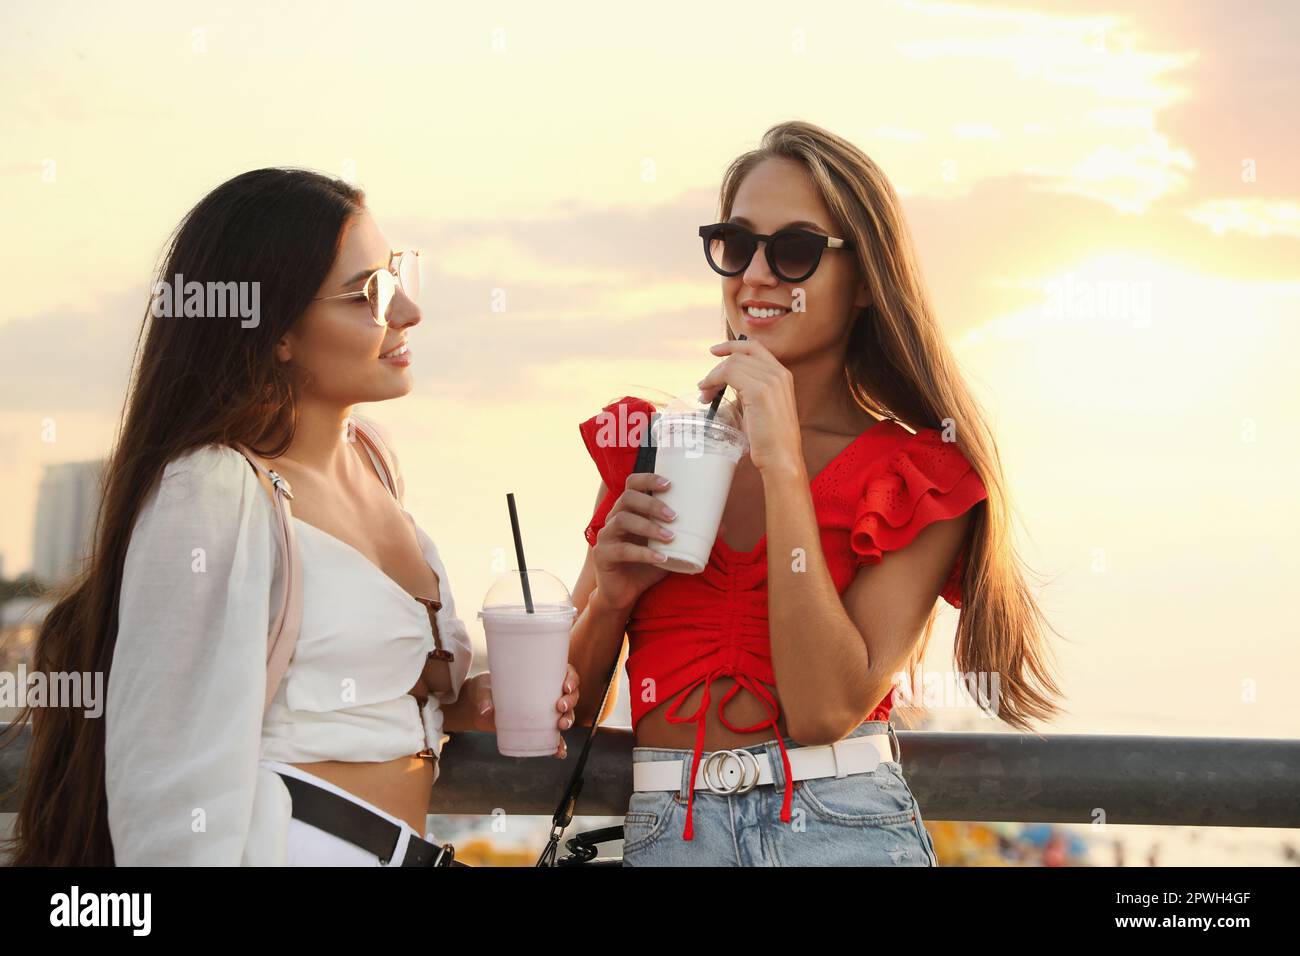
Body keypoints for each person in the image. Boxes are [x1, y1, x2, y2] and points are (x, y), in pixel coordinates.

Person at [1, 167, 579, 866]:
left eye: (397, 277)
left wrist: (476, 702)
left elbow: (350, 702)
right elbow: (170, 791)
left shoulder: (372, 461)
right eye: (369, 293)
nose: (406, 314)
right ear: (275, 331)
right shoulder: (214, 489)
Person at [568, 121, 1064, 866]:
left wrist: (784, 466)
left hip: (840, 831)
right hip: (671, 835)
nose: (755, 275)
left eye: (794, 251)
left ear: (865, 280)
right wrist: (610, 599)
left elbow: (824, 707)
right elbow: (563, 715)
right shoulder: (654, 447)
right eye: (737, 244)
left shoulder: (920, 478)